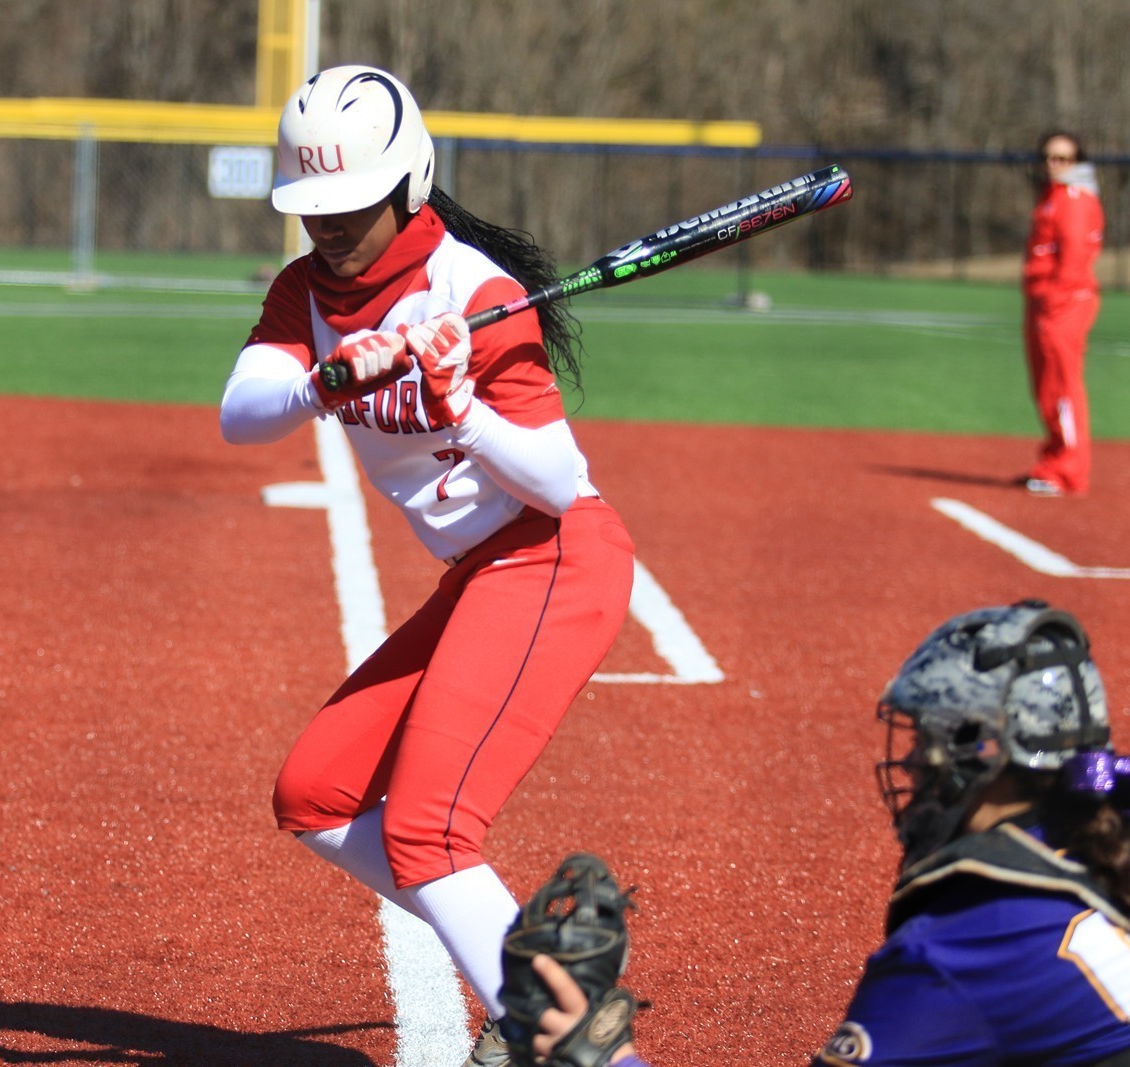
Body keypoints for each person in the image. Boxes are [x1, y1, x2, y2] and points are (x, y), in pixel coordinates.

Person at [219, 65, 635, 1067]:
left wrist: (464, 411)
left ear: (408, 182)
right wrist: (327, 378)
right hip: (475, 574)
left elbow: (556, 479)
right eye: (310, 206)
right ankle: (537, 969)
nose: (326, 226)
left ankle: (572, 1040)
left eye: (348, 205)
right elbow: (240, 414)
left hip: (551, 556)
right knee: (316, 792)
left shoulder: (474, 291)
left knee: (429, 831)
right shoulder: (304, 294)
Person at [512, 600, 1130, 1067]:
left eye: (929, 741)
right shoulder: (1104, 838)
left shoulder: (962, 944)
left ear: (983, 756)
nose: (913, 763)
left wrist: (606, 1056)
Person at [1020, 130, 1103, 497]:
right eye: (1050, 157)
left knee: (1062, 389)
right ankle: (1052, 461)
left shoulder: (1075, 199)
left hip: (1064, 304)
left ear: (1077, 162)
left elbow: (1072, 259)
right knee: (1045, 388)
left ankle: (1069, 469)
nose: (1055, 165)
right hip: (1044, 300)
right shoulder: (1050, 197)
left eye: (1064, 159)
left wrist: (1054, 302)